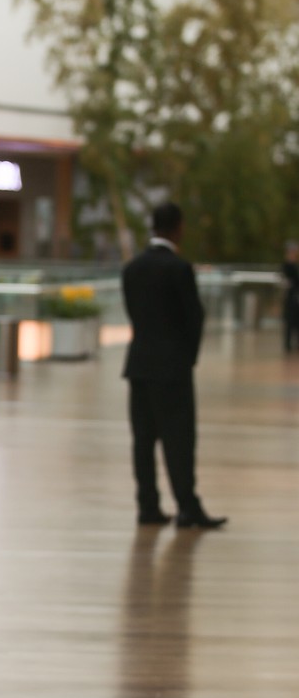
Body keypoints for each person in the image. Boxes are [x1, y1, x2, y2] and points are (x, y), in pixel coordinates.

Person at [122, 203, 227, 531]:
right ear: (177, 228)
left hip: (139, 366)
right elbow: (193, 319)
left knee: (143, 440)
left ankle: (148, 506)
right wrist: (187, 358)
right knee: (178, 440)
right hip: (172, 370)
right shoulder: (180, 269)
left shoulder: (132, 268)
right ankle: (187, 507)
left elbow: (134, 314)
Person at [281, 241, 299, 352]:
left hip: (296, 297)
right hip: (291, 298)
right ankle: (288, 345)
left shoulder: (295, 266)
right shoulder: (287, 266)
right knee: (290, 321)